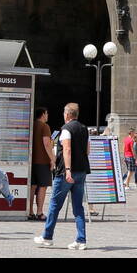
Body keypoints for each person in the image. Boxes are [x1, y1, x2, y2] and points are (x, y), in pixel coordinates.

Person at [33, 101, 91, 250]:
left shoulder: (66, 129)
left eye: (64, 113)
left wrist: (68, 169)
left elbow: (67, 149)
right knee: (78, 207)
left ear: (67, 114)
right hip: (81, 171)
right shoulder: (84, 129)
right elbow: (88, 151)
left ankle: (47, 237)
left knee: (54, 204)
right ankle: (81, 240)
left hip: (66, 172)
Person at [29, 106, 54, 221]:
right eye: (47, 114)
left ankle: (30, 211)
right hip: (42, 161)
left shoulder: (32, 125)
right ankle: (39, 212)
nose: (47, 116)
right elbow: (47, 144)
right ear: (43, 114)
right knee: (42, 187)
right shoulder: (45, 126)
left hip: (31, 161)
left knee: (32, 187)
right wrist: (52, 159)